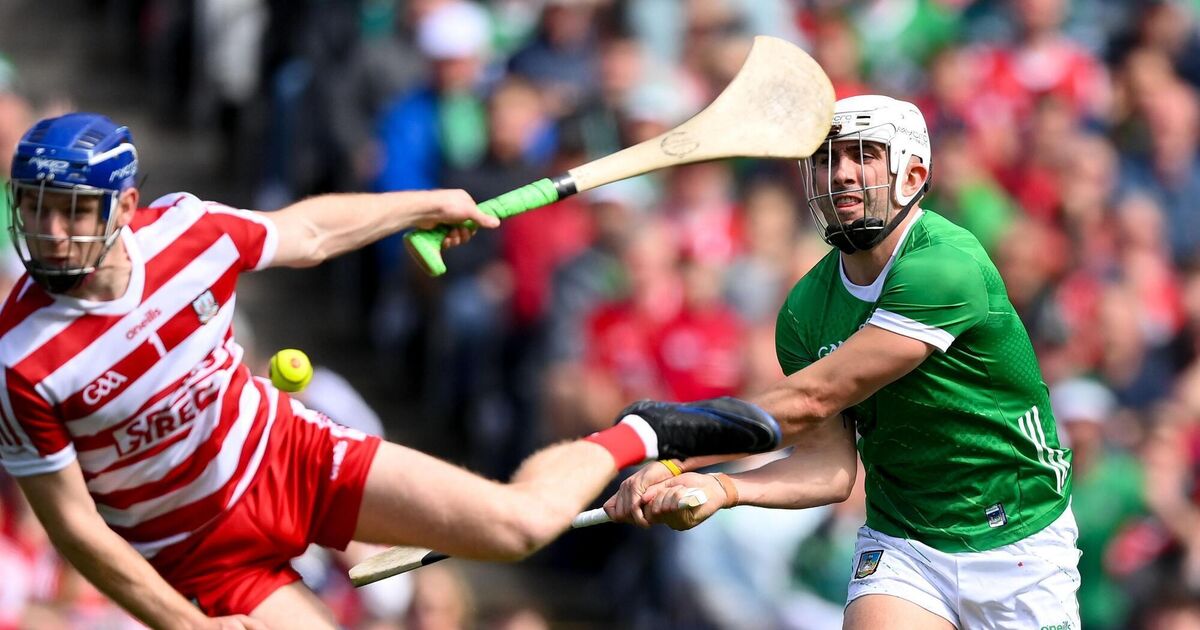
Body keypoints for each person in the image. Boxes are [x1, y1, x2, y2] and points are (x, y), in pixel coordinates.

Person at [0, 112, 782, 629]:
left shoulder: (188, 235)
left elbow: (303, 231)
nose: (52, 231)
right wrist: (186, 625)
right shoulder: (20, 359)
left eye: (73, 209)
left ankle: (640, 429)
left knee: (520, 527)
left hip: (288, 457)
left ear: (126, 204)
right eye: (35, 208)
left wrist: (423, 203)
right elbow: (73, 526)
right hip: (197, 556)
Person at [605, 95, 1081, 630]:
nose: (841, 174)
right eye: (827, 159)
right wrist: (723, 488)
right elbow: (829, 470)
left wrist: (671, 448)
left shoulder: (947, 266)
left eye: (863, 155)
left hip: (1018, 537)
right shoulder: (806, 310)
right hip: (906, 539)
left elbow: (813, 399)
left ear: (912, 172)